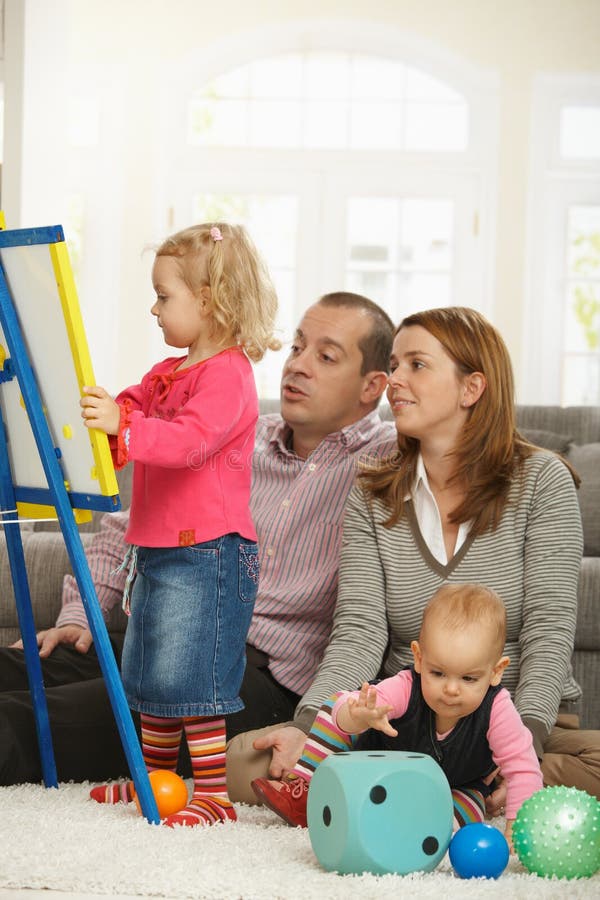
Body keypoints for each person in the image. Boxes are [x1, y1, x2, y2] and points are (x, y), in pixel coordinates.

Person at [0, 292, 397, 794]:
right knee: (18, 668)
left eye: (326, 356)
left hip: (258, 680)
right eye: (296, 347)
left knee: (26, 720)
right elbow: (123, 532)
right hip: (168, 631)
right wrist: (80, 618)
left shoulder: (391, 461)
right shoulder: (240, 437)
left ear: (373, 387)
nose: (298, 366)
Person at [243, 305, 600, 810]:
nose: (395, 380)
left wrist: (527, 741)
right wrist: (310, 726)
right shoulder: (373, 490)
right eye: (394, 364)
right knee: (246, 763)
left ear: (471, 388)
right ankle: (444, 790)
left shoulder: (542, 482)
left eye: (417, 365)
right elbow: (359, 628)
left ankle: (461, 785)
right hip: (405, 721)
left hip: (514, 722)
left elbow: (549, 629)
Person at [78, 221, 279, 827]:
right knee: (154, 675)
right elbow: (140, 398)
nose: (154, 307)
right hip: (161, 548)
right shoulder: (172, 371)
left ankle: (213, 792)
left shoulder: (228, 375)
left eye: (164, 296)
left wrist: (125, 424)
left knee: (196, 679)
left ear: (210, 301)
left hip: (209, 552)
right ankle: (155, 781)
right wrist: (120, 408)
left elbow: (191, 442)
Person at [252, 583, 543, 848]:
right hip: (379, 774)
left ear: (495, 672)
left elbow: (523, 766)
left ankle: (409, 826)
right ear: (419, 658)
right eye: (438, 673)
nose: (451, 689)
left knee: (467, 812)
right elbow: (345, 714)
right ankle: (306, 790)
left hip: (456, 785)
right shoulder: (405, 687)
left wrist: (519, 828)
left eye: (469, 679)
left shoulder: (498, 708)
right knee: (338, 704)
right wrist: (361, 715)